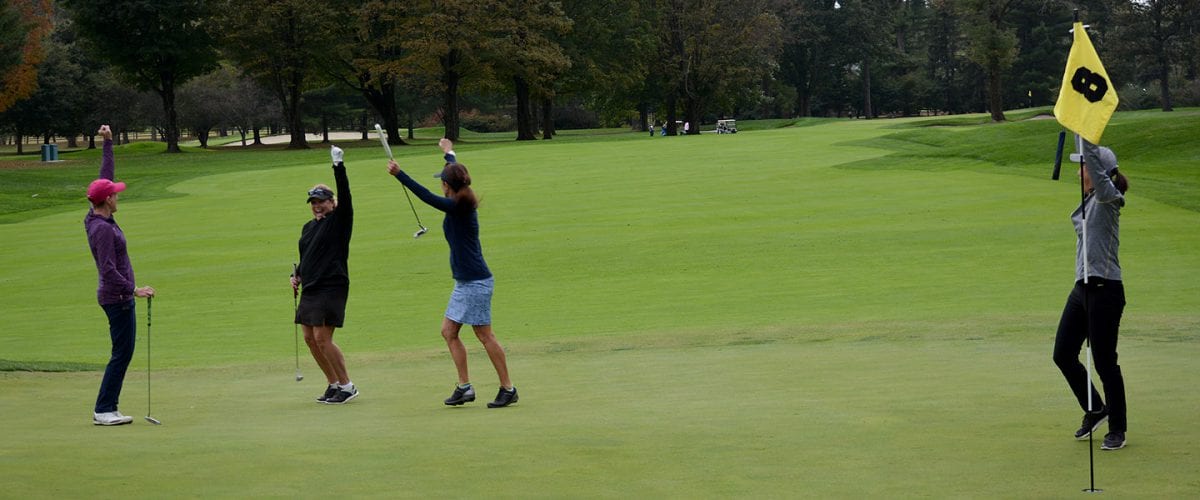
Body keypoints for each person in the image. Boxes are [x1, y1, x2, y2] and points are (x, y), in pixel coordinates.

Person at [387, 139, 518, 408]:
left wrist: (400, 174)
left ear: (447, 186)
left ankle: (508, 388)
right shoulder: (461, 196)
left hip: (476, 282)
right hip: (466, 282)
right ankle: (465, 387)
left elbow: (426, 197)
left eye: (443, 181)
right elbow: (454, 172)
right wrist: (449, 154)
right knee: (449, 331)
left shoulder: (458, 206)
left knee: (485, 336)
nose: (440, 184)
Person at [1052, 140, 1130, 451]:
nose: (1079, 171)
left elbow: (1098, 170)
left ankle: (1118, 429)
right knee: (1063, 354)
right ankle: (1096, 408)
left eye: (1083, 166)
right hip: (1081, 288)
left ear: (1099, 171)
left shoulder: (1109, 197)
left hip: (1106, 290)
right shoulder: (1087, 200)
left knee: (1104, 362)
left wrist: (1082, 130)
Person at [84, 124, 155, 426]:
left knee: (122, 352)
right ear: (108, 201)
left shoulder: (97, 215)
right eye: (114, 195)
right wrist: (133, 289)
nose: (117, 196)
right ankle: (104, 409)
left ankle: (107, 406)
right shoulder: (101, 229)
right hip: (117, 298)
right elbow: (107, 269)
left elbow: (104, 179)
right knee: (122, 354)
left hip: (119, 296)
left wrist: (108, 143)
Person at [291, 146, 358, 404]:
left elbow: (347, 195)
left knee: (322, 338)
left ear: (332, 202)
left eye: (322, 202)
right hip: (312, 287)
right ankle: (333, 383)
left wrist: (338, 166)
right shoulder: (308, 228)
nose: (317, 206)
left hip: (332, 285)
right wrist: (297, 274)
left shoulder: (339, 221)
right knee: (310, 339)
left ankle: (347, 385)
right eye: (314, 203)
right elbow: (307, 255)